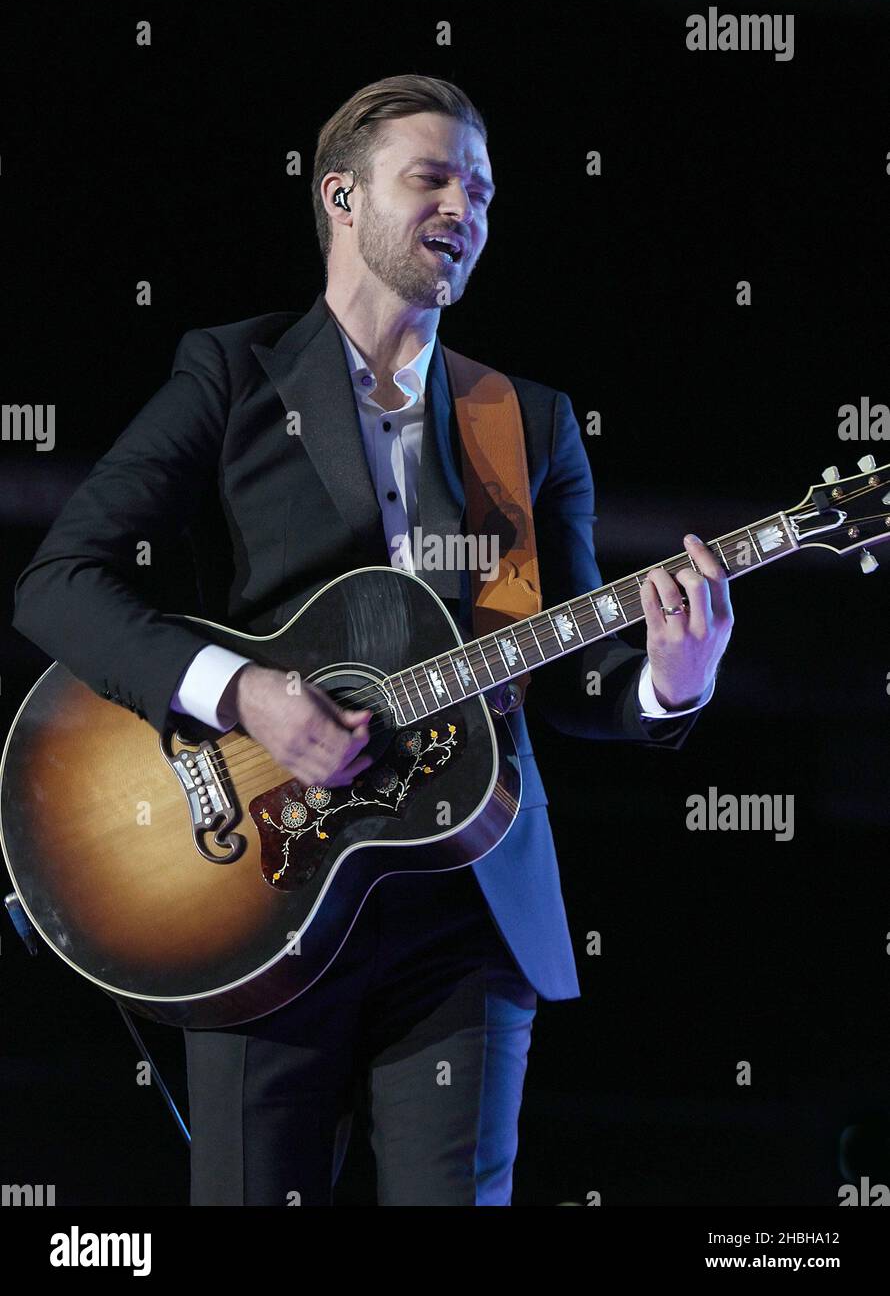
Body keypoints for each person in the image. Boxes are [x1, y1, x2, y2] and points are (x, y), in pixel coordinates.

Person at [12, 74, 733, 1206]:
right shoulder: (232, 374)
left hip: (464, 900)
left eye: (482, 191)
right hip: (257, 878)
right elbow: (60, 584)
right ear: (340, 196)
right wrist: (244, 693)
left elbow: (571, 667)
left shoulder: (524, 421)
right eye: (432, 177)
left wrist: (666, 684)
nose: (465, 207)